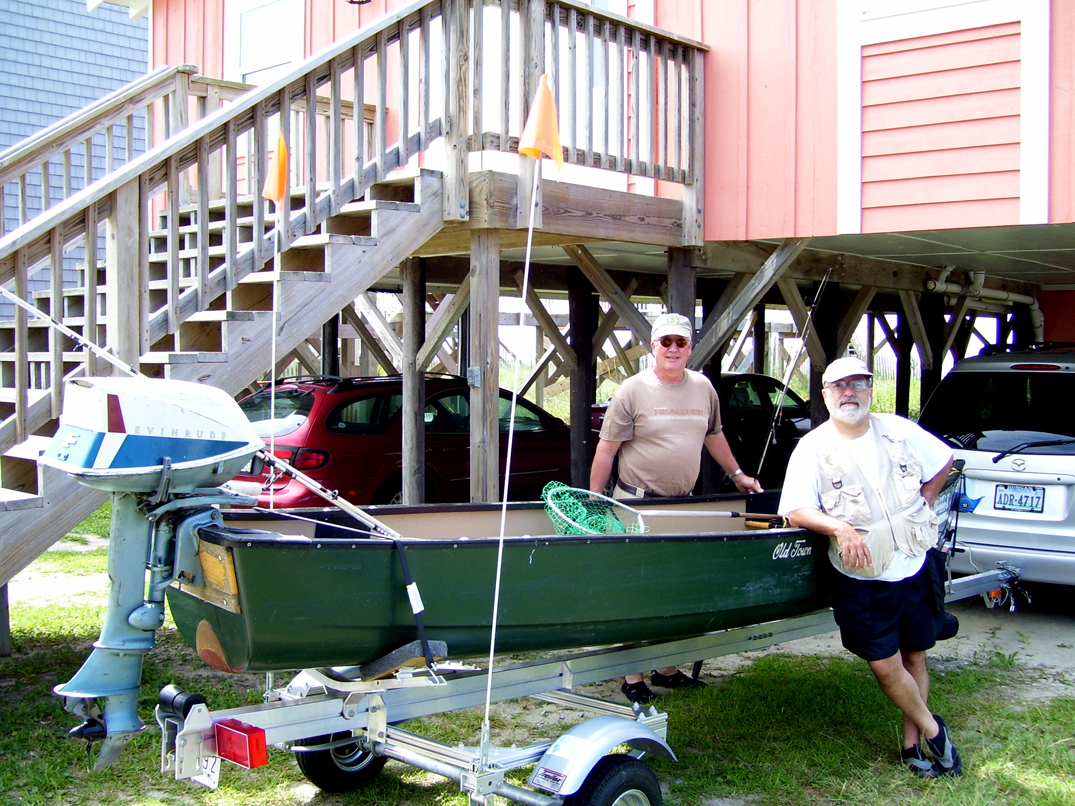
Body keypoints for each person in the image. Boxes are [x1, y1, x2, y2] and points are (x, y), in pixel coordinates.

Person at [777, 356, 962, 778]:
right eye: (838, 387)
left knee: (916, 653)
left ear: (869, 390)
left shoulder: (899, 430)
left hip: (915, 562)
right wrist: (839, 528)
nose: (849, 393)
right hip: (863, 575)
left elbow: (944, 459)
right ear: (824, 397)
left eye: (857, 384)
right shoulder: (813, 447)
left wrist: (927, 501)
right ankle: (936, 731)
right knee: (884, 663)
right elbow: (795, 509)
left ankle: (912, 745)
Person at [590, 312, 764, 705]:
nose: (672, 349)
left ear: (689, 348)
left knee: (669, 586)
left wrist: (737, 474)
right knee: (632, 590)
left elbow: (713, 435)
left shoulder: (704, 388)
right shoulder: (631, 390)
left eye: (680, 343)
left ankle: (665, 668)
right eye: (665, 342)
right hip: (635, 504)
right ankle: (632, 676)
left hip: (681, 506)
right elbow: (607, 448)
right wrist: (596, 500)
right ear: (653, 346)